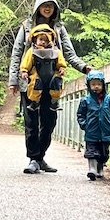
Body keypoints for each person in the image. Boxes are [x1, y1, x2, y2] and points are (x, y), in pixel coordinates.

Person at [8, 0, 89, 97]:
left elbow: (69, 54)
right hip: (29, 81)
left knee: (50, 113)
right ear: (38, 7)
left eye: (51, 6)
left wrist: (83, 67)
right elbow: (17, 54)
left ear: (55, 8)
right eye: (44, 5)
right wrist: (13, 81)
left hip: (52, 82)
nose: (48, 8)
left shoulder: (59, 28)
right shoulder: (26, 26)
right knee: (30, 112)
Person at [17, 23, 67, 173]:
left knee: (49, 124)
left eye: (46, 40)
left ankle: (39, 158)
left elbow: (63, 62)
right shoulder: (31, 52)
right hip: (35, 86)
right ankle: (34, 158)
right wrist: (22, 74)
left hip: (50, 88)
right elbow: (21, 62)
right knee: (31, 124)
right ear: (34, 40)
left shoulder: (56, 51)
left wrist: (62, 69)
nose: (43, 43)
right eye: (41, 40)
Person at [76, 70, 110, 180]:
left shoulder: (109, 100)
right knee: (91, 151)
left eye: (99, 84)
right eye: (93, 84)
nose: (96, 87)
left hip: (105, 132)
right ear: (89, 85)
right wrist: (84, 125)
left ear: (103, 85)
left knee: (103, 154)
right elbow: (80, 114)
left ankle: (100, 168)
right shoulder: (86, 100)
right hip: (91, 131)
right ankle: (92, 169)